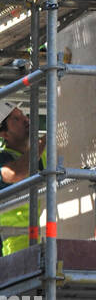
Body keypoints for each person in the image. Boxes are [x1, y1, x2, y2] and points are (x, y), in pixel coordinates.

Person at [0, 98, 45, 255]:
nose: (26, 120)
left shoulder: (41, 155)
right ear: (4, 134)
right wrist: (43, 143)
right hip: (13, 244)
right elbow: (14, 173)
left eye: (24, 115)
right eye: (16, 119)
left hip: (40, 236)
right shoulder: (3, 158)